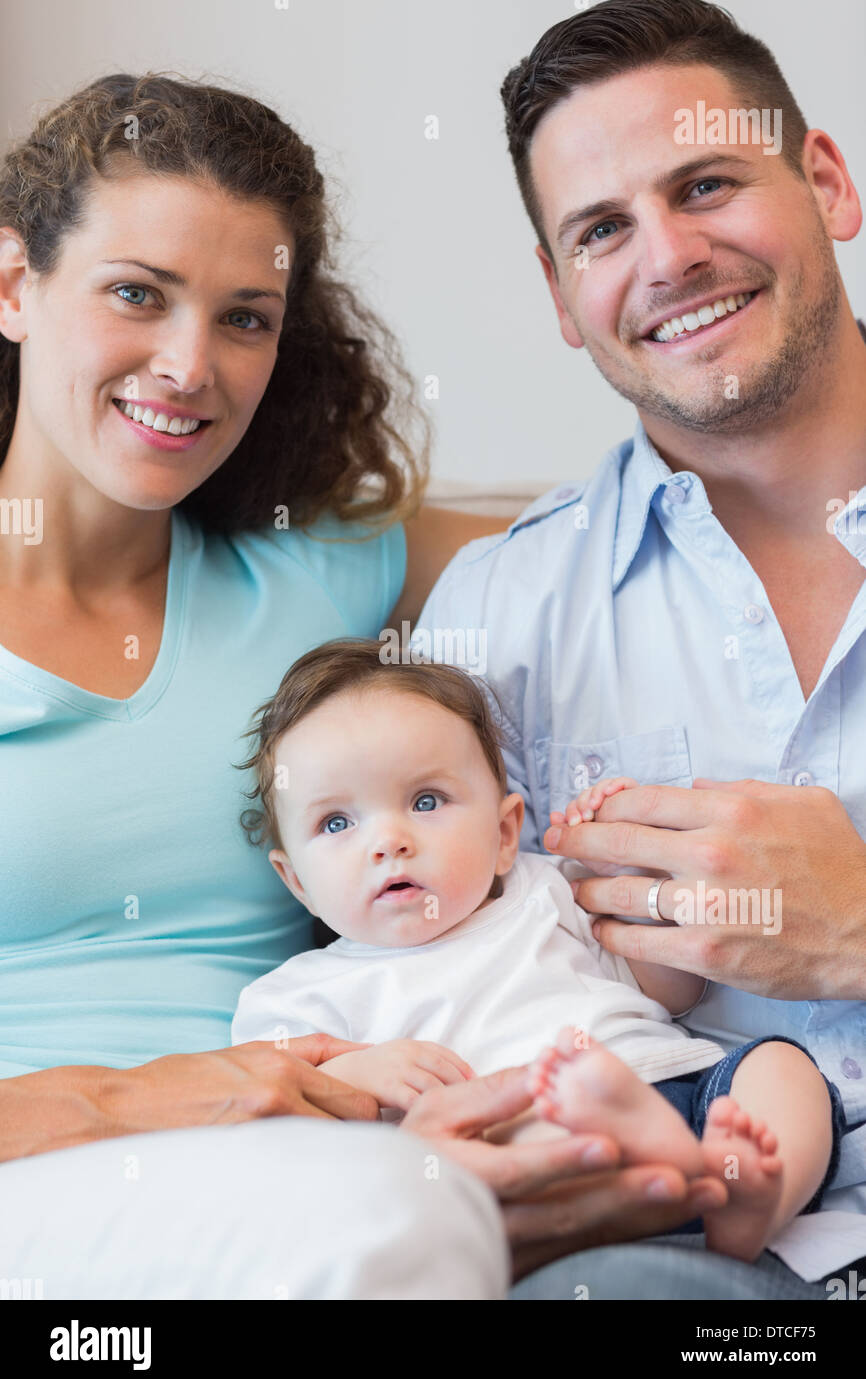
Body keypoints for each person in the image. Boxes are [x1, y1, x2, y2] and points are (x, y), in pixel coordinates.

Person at [0, 70, 724, 1300]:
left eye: (245, 317)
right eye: (137, 294)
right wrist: (184, 1096)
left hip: (320, 1177)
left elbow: (632, 533)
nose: (189, 366)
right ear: (16, 284)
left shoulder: (315, 567)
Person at [416, 0, 866, 1298]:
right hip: (679, 1260)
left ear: (825, 183)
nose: (667, 256)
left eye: (707, 183)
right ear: (563, 297)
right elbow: (415, 963)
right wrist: (422, 1150)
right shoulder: (490, 622)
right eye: (601, 230)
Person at [228, 637, 844, 1265]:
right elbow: (275, 1113)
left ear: (503, 833)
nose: (389, 840)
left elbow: (671, 990)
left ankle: (752, 1204)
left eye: (426, 801)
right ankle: (671, 1173)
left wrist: (626, 866)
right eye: (337, 822)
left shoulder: (549, 889)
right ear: (296, 881)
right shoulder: (299, 994)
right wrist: (354, 1076)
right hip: (532, 1139)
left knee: (781, 1070)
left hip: (688, 1089)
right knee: (537, 1124)